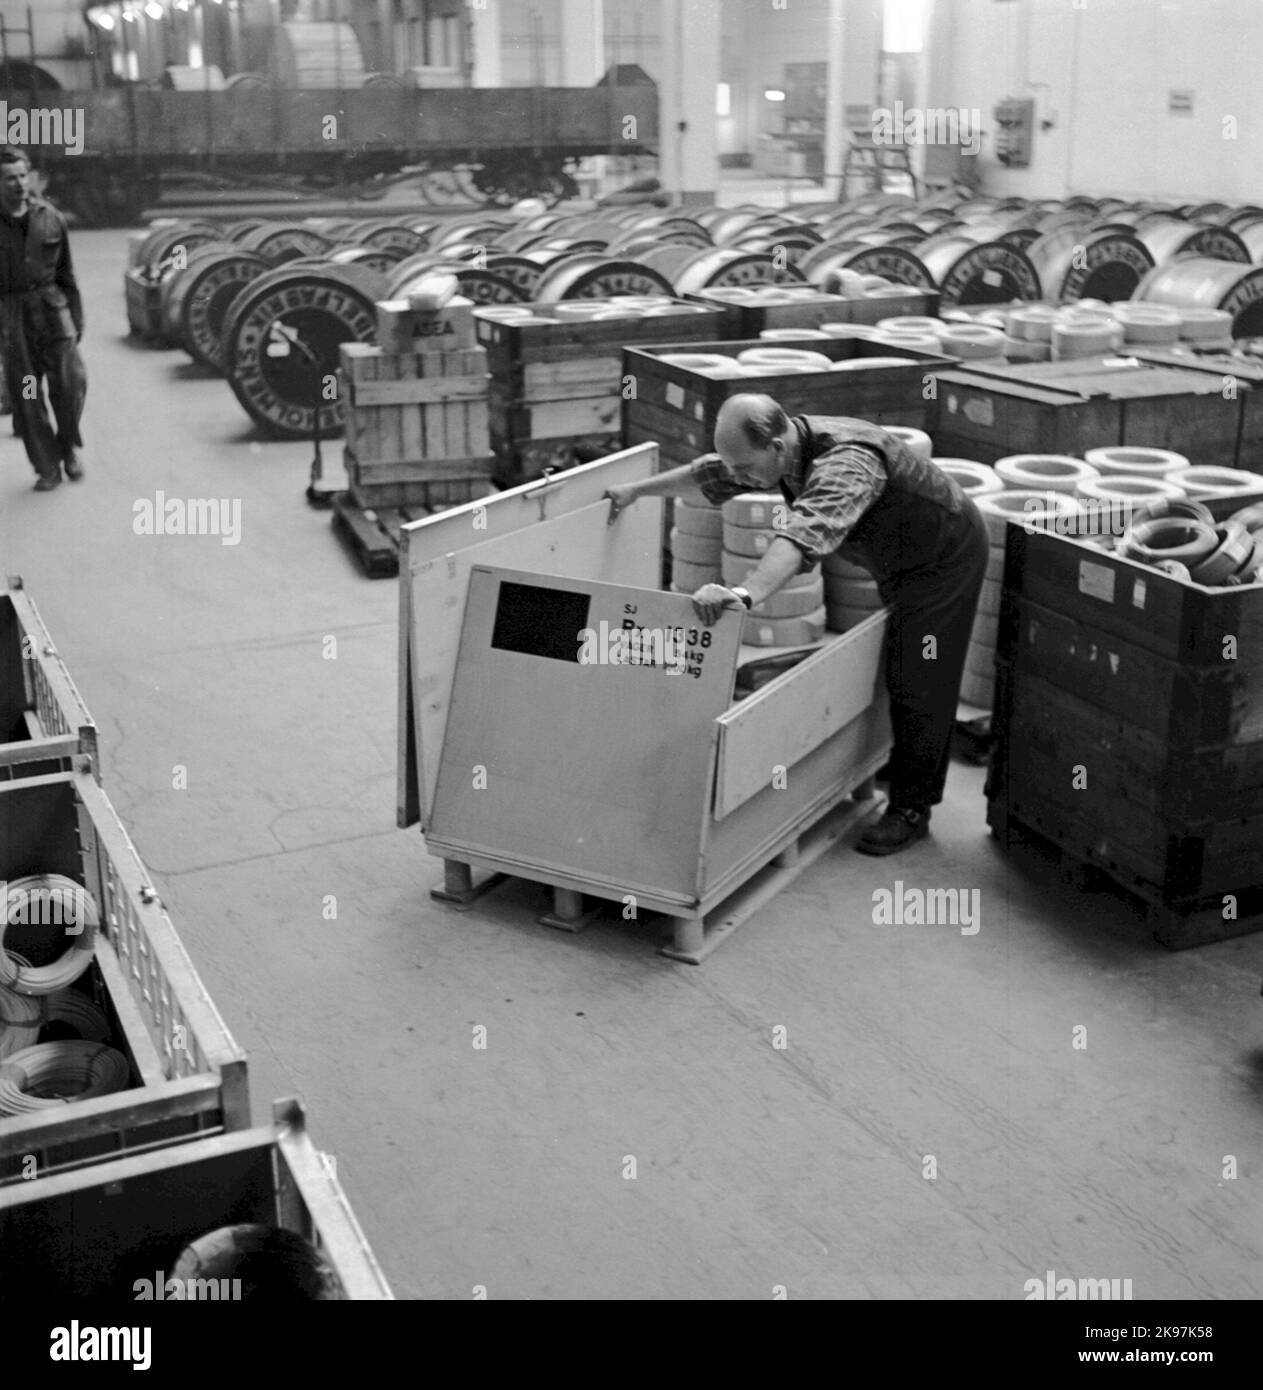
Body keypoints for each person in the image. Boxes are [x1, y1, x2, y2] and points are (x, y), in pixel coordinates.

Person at [604, 393, 989, 855]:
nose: (741, 478)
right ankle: (904, 759)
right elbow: (710, 475)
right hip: (898, 556)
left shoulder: (848, 464)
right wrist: (635, 492)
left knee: (921, 676)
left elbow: (804, 532)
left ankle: (912, 807)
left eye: (747, 469)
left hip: (942, 557)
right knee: (895, 656)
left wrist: (744, 594)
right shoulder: (775, 449)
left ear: (777, 446)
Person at [0, 145, 86, 491]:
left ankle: (68, 450)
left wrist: (76, 321)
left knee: (70, 385)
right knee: (29, 395)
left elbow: (68, 274)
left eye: (23, 175)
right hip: (14, 322)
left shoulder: (50, 217)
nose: (19, 184)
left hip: (54, 314)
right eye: (9, 179)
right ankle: (47, 465)